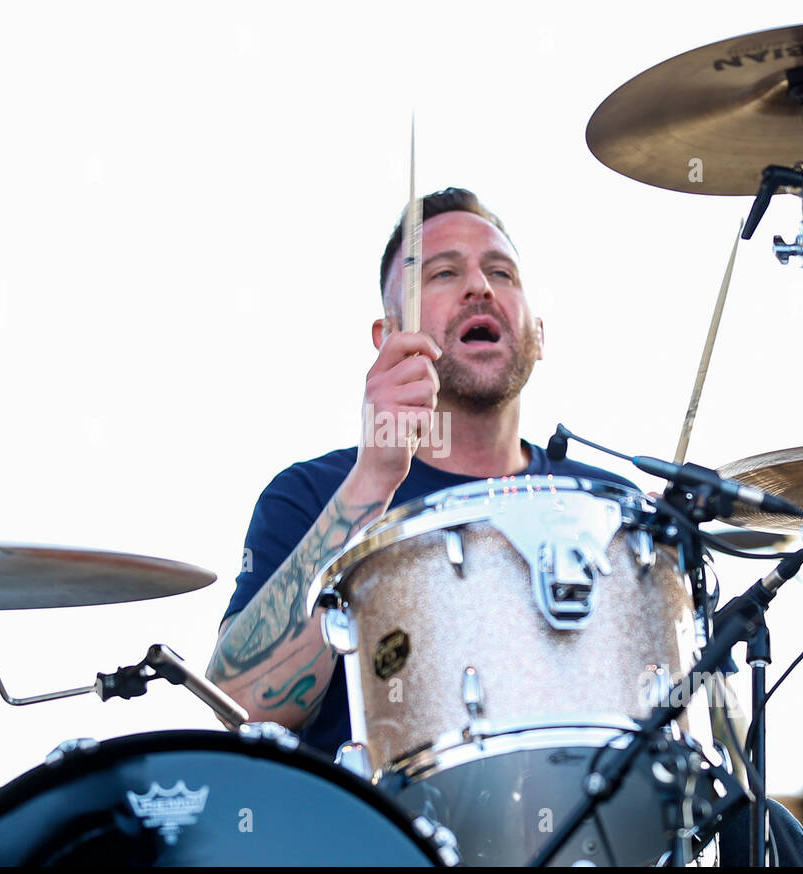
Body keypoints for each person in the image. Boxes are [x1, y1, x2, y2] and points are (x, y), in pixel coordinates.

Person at [205, 187, 635, 755]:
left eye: (502, 273)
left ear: (539, 333)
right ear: (388, 337)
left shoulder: (609, 505)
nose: (479, 286)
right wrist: (374, 477)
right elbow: (245, 708)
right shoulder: (311, 495)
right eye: (442, 273)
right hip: (372, 841)